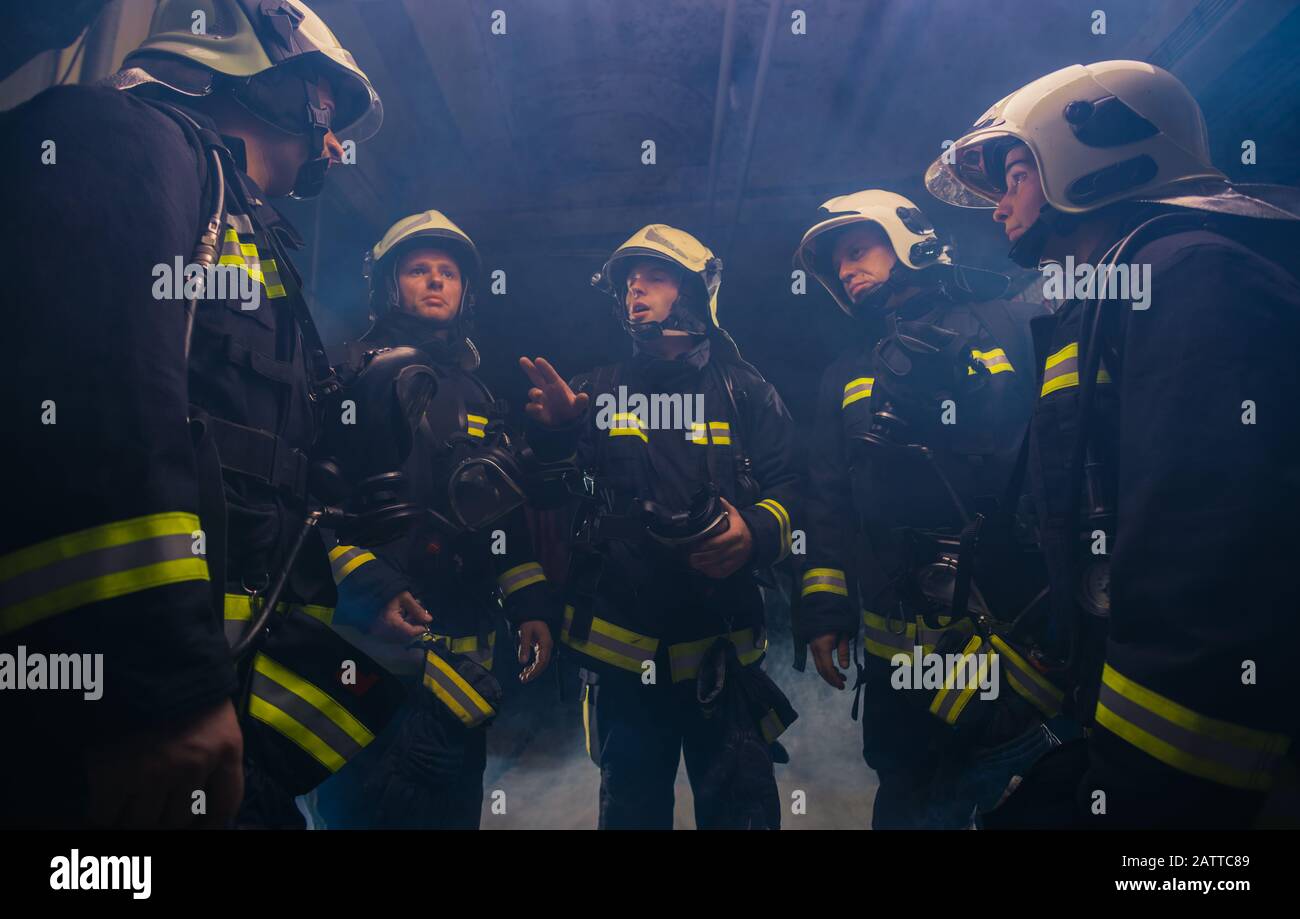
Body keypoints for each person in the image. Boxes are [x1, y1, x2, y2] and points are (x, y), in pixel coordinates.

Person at [0, 0, 387, 828]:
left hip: (216, 689)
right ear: (269, 64)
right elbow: (93, 405)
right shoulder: (124, 138)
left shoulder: (227, 204)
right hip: (127, 719)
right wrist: (156, 690)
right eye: (327, 107)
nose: (331, 143)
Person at [927, 59, 1300, 828]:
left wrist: (1138, 788)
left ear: (1086, 162)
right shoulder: (1115, 293)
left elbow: (1208, 551)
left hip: (1189, 773)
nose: (1000, 205)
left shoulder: (1191, 276)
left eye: (1017, 172)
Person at [520, 223, 801, 829]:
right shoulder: (591, 392)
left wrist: (755, 530)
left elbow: (794, 488)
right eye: (627, 283)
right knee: (631, 814)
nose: (634, 291)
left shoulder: (745, 391)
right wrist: (555, 434)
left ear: (695, 291)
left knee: (740, 815)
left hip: (722, 652)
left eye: (655, 276)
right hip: (622, 660)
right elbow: (545, 494)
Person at [794, 189, 1059, 828]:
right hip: (898, 650)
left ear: (908, 239)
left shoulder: (1013, 322)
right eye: (836, 265)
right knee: (908, 793)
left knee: (1023, 792)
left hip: (1009, 630)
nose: (846, 270)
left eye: (858, 250)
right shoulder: (845, 372)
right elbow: (826, 500)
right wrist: (826, 607)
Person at [317, 210, 556, 829]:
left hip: (463, 664)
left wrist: (529, 603)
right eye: (417, 270)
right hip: (368, 658)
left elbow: (499, 512)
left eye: (447, 273)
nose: (433, 282)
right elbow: (304, 502)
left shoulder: (478, 396)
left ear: (464, 290)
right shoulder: (346, 374)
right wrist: (367, 586)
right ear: (388, 286)